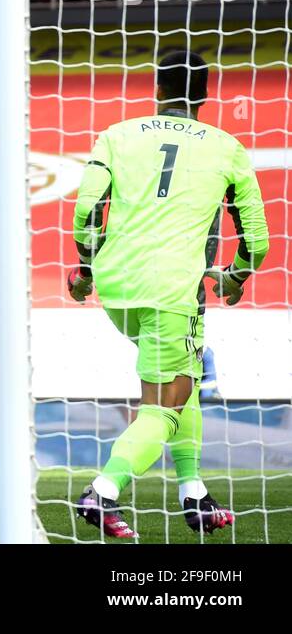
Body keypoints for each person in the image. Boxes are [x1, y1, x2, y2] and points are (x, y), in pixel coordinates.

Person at [70, 51, 268, 538]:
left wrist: (85, 271)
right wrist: (236, 277)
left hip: (118, 287)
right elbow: (257, 239)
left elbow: (86, 210)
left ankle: (193, 493)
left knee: (186, 376)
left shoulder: (117, 134)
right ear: (204, 95)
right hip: (173, 287)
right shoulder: (226, 147)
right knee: (164, 404)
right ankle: (103, 490)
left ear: (157, 90)